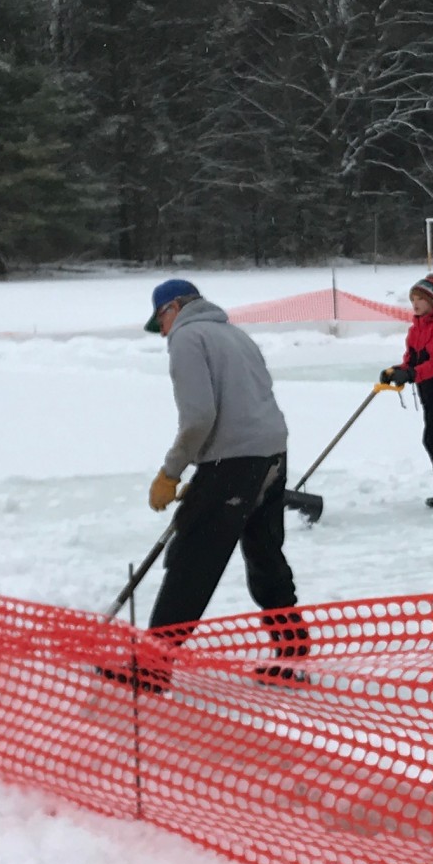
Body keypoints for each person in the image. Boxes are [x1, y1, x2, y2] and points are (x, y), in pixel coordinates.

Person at [140, 278, 306, 662]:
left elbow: (199, 417)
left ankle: (150, 665)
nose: (162, 331)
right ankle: (293, 648)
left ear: (174, 308)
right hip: (272, 453)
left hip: (233, 461)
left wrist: (171, 472)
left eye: (160, 321)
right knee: (265, 554)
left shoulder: (187, 338)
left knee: (192, 560)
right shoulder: (235, 335)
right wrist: (207, 473)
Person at [380, 272, 433, 508]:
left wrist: (411, 374)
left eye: (420, 299)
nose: (415, 304)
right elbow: (411, 360)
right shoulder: (415, 330)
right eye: (413, 299)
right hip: (429, 393)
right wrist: (396, 371)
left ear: (432, 302)